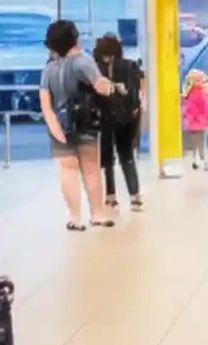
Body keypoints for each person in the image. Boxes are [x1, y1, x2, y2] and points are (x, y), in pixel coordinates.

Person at [38, 20, 118, 231]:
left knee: (67, 170)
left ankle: (74, 217)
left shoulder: (49, 68)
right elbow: (101, 87)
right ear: (74, 38)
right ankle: (97, 214)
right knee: (91, 170)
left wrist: (56, 128)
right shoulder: (84, 62)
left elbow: (45, 104)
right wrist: (112, 88)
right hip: (85, 123)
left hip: (60, 126)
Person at [92, 33, 144, 212]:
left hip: (108, 117)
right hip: (123, 117)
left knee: (110, 158)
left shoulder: (97, 68)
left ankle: (112, 195)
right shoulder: (128, 66)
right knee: (125, 156)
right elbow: (134, 94)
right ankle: (133, 195)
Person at [181, 69, 208, 170]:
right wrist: (206, 120)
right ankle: (203, 161)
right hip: (201, 123)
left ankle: (196, 160)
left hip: (193, 123)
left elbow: (189, 109)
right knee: (202, 143)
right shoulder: (203, 94)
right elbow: (207, 109)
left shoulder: (191, 94)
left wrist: (184, 114)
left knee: (195, 144)